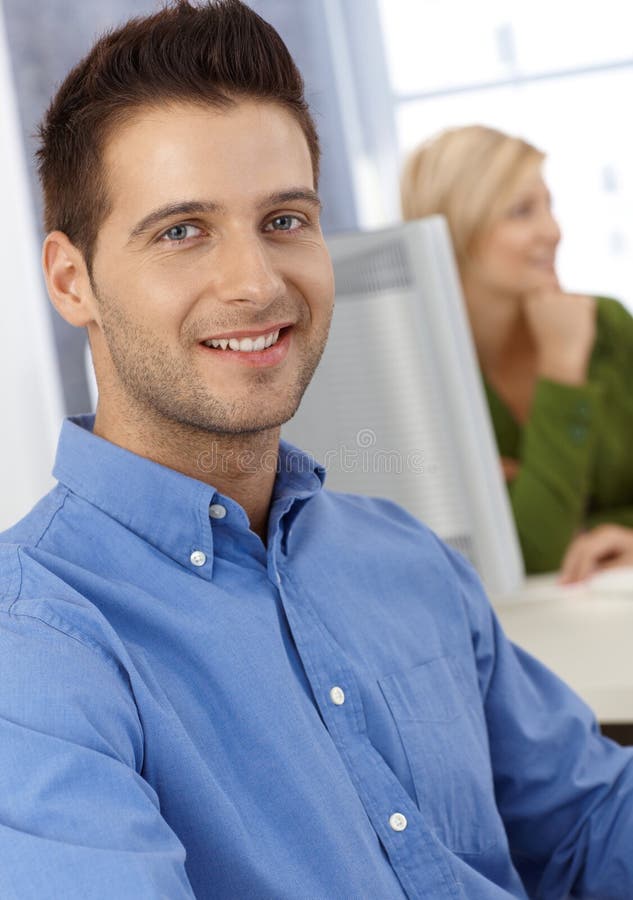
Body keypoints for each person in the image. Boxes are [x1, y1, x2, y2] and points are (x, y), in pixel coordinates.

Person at [1, 3, 632, 897]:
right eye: (182, 231)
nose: (256, 282)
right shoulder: (32, 644)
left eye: (285, 220)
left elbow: (588, 824)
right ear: (73, 281)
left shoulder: (405, 559)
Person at [401, 125, 633, 575]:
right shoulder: (420, 374)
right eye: (522, 212)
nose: (553, 231)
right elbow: (534, 551)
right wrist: (562, 366)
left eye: (549, 206)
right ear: (460, 229)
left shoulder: (603, 323)